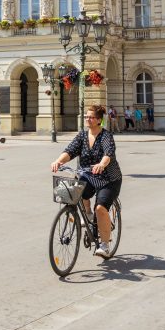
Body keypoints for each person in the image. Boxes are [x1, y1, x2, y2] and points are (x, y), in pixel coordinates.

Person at [50, 104, 122, 258]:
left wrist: (102, 164)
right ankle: (87, 213)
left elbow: (108, 153)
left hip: (108, 179)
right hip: (89, 175)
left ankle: (105, 245)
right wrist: (58, 161)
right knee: (76, 190)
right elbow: (70, 151)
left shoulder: (106, 136)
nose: (88, 119)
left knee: (100, 208)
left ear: (99, 120)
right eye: (87, 116)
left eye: (91, 117)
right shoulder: (82, 136)